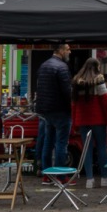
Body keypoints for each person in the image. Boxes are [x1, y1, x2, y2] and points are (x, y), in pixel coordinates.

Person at [71, 57, 107, 189]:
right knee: (101, 147)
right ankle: (105, 177)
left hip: (83, 120)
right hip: (98, 119)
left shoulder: (77, 80)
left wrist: (75, 122)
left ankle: (89, 179)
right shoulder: (99, 79)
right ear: (96, 66)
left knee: (86, 149)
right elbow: (105, 100)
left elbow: (74, 104)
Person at [34, 43, 73, 174]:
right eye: (67, 49)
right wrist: (71, 107)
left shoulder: (44, 65)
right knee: (61, 143)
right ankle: (60, 175)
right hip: (60, 110)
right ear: (60, 50)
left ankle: (46, 174)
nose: (70, 52)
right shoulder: (62, 67)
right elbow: (67, 92)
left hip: (46, 110)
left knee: (48, 142)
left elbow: (39, 88)